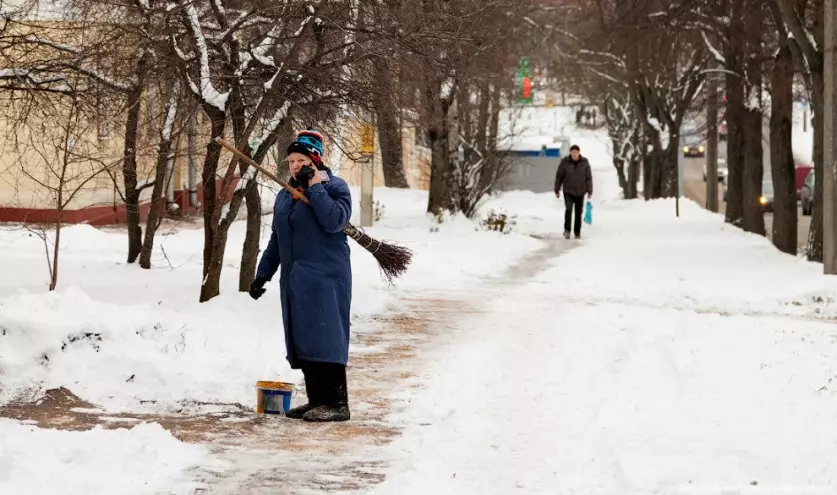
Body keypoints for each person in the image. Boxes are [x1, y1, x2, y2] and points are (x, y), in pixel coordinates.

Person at [248, 128, 353, 422]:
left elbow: (334, 221)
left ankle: (338, 404)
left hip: (326, 278)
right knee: (305, 336)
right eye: (291, 161)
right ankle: (317, 400)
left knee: (326, 335)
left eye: (300, 160)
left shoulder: (335, 187)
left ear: (314, 160)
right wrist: (263, 274)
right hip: (295, 280)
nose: (294, 166)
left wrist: (315, 187)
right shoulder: (286, 193)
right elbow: (278, 239)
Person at [554, 144, 593, 239]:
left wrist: (589, 190)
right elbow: (559, 176)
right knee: (569, 210)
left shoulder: (585, 162)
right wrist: (557, 189)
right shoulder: (565, 162)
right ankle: (567, 230)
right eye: (573, 152)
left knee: (578, 212)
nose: (574, 154)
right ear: (570, 153)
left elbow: (588, 177)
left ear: (579, 153)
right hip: (568, 191)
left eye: (576, 152)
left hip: (580, 191)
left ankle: (577, 232)